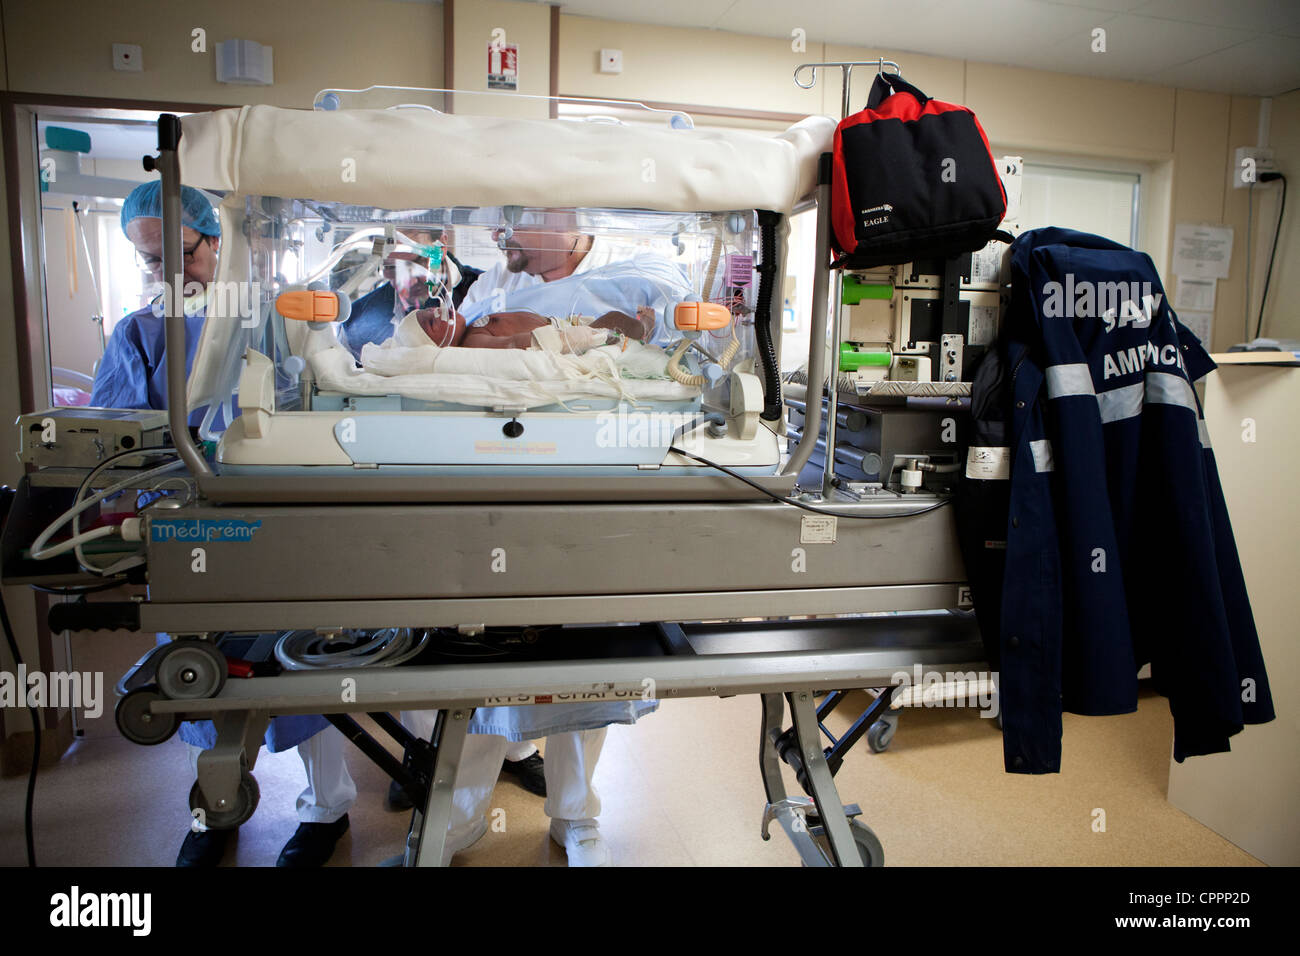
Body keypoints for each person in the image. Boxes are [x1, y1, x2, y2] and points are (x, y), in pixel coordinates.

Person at [92, 181, 356, 868]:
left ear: (221, 241)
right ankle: (215, 810)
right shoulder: (141, 329)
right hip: (191, 523)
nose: (167, 275)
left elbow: (331, 394)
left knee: (307, 660)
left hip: (284, 513)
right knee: (198, 668)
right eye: (151, 262)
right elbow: (115, 435)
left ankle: (327, 811)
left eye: (180, 255)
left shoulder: (278, 312)